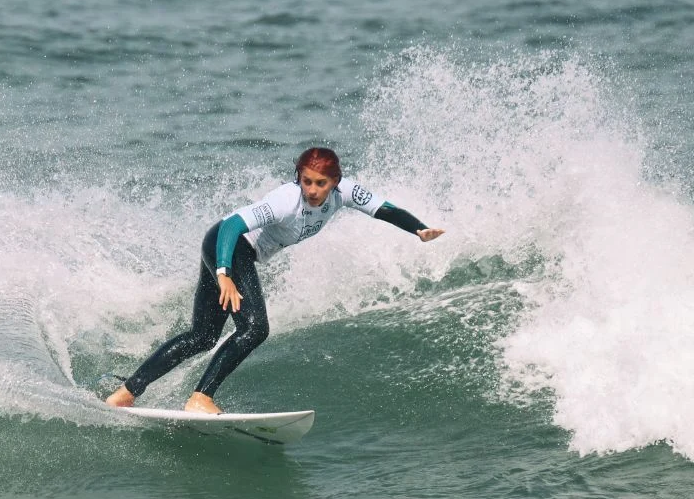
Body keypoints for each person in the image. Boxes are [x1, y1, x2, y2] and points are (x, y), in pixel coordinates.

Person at [104, 147, 444, 414]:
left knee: (203, 335)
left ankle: (125, 393)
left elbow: (384, 209)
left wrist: (418, 229)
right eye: (306, 181)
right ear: (299, 177)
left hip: (225, 249)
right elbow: (233, 225)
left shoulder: (346, 193)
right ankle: (200, 399)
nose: (312, 190)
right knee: (254, 329)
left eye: (320, 183)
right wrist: (224, 274)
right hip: (227, 245)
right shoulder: (286, 200)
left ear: (335, 182)